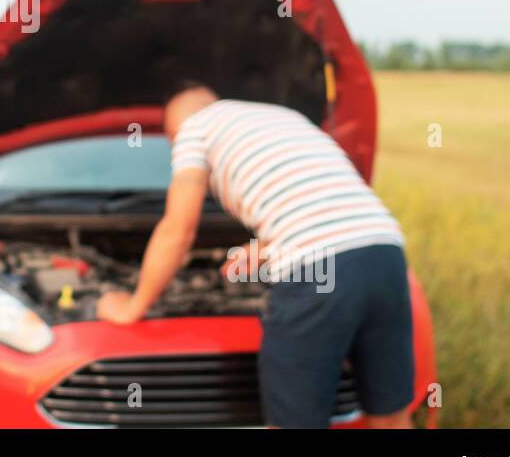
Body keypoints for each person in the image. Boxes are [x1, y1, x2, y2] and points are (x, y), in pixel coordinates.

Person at [96, 81, 416, 429]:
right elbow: (319, 197)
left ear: (175, 129)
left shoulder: (194, 129)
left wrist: (133, 305)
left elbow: (178, 229)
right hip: (384, 251)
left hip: (319, 271)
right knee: (391, 417)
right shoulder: (285, 118)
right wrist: (266, 247)